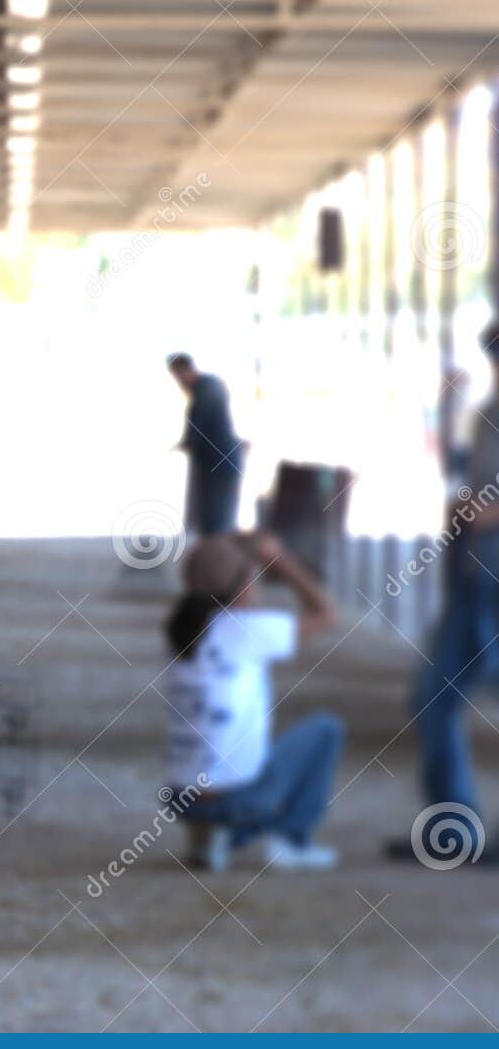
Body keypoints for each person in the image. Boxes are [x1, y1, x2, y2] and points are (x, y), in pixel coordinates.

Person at [163, 531, 342, 871]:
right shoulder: (247, 631)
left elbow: (204, 572)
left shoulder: (179, 632)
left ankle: (212, 839)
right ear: (244, 590)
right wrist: (280, 560)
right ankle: (290, 841)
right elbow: (326, 612)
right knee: (325, 729)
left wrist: (230, 549)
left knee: (235, 744)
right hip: (235, 799)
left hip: (179, 798)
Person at [388, 321, 499, 865]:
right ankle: (453, 828)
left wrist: (489, 513)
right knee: (433, 699)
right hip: (476, 578)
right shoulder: (486, 416)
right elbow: (467, 479)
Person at [167, 353, 245, 534]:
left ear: (185, 370)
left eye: (177, 376)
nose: (179, 382)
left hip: (220, 463)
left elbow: (199, 425)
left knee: (216, 523)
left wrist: (188, 443)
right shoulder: (208, 387)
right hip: (218, 463)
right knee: (214, 520)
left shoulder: (207, 389)